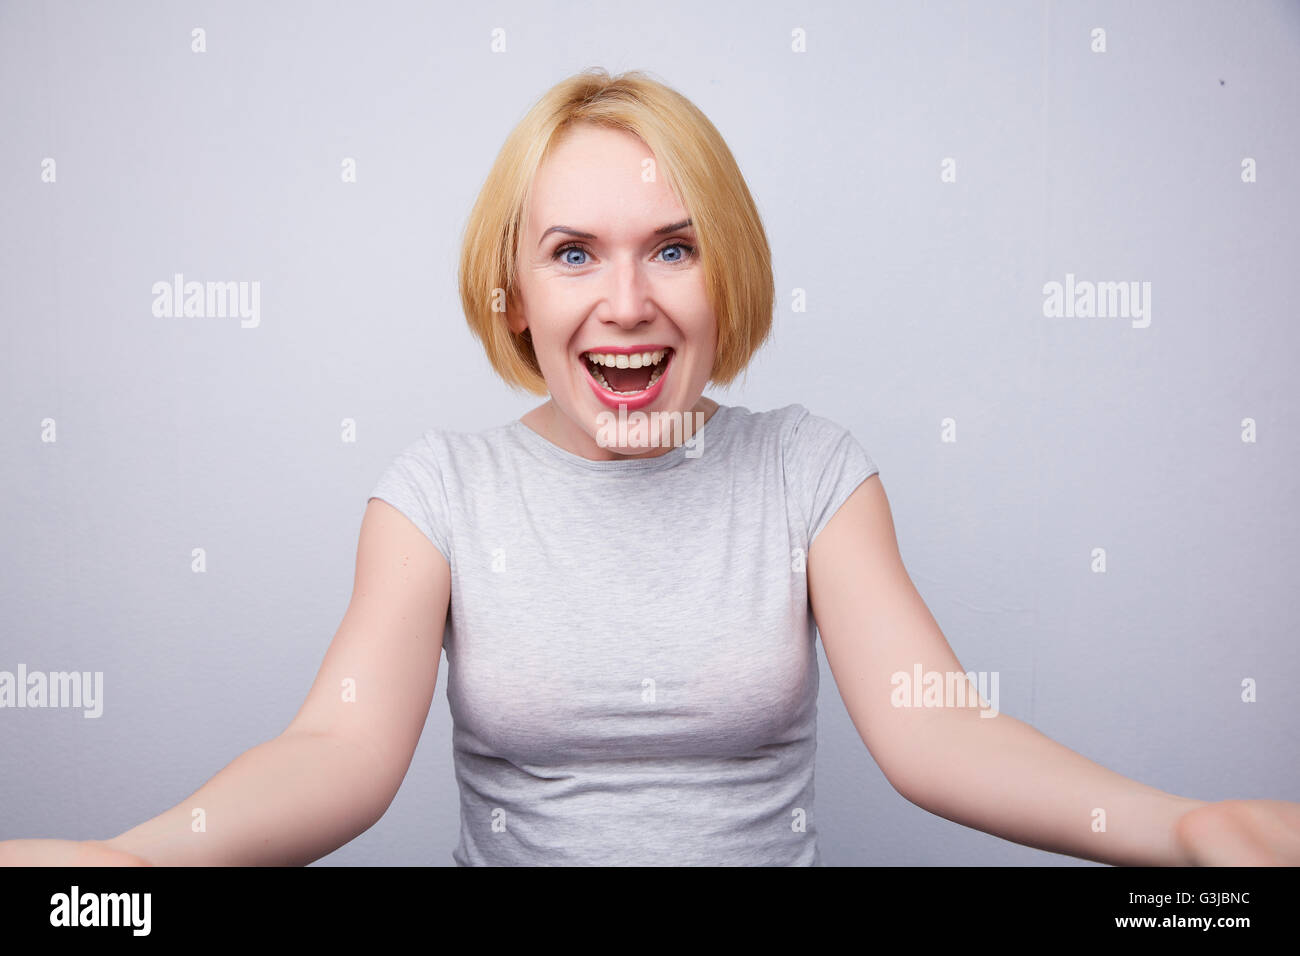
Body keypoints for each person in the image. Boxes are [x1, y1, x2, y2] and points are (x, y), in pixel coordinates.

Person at [3, 68, 1297, 867]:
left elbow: (939, 727)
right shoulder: (436, 493)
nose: (626, 300)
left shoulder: (812, 471)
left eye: (672, 248)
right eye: (574, 253)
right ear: (512, 291)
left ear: (725, 275)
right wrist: (135, 865)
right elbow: (336, 748)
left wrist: (1184, 833)